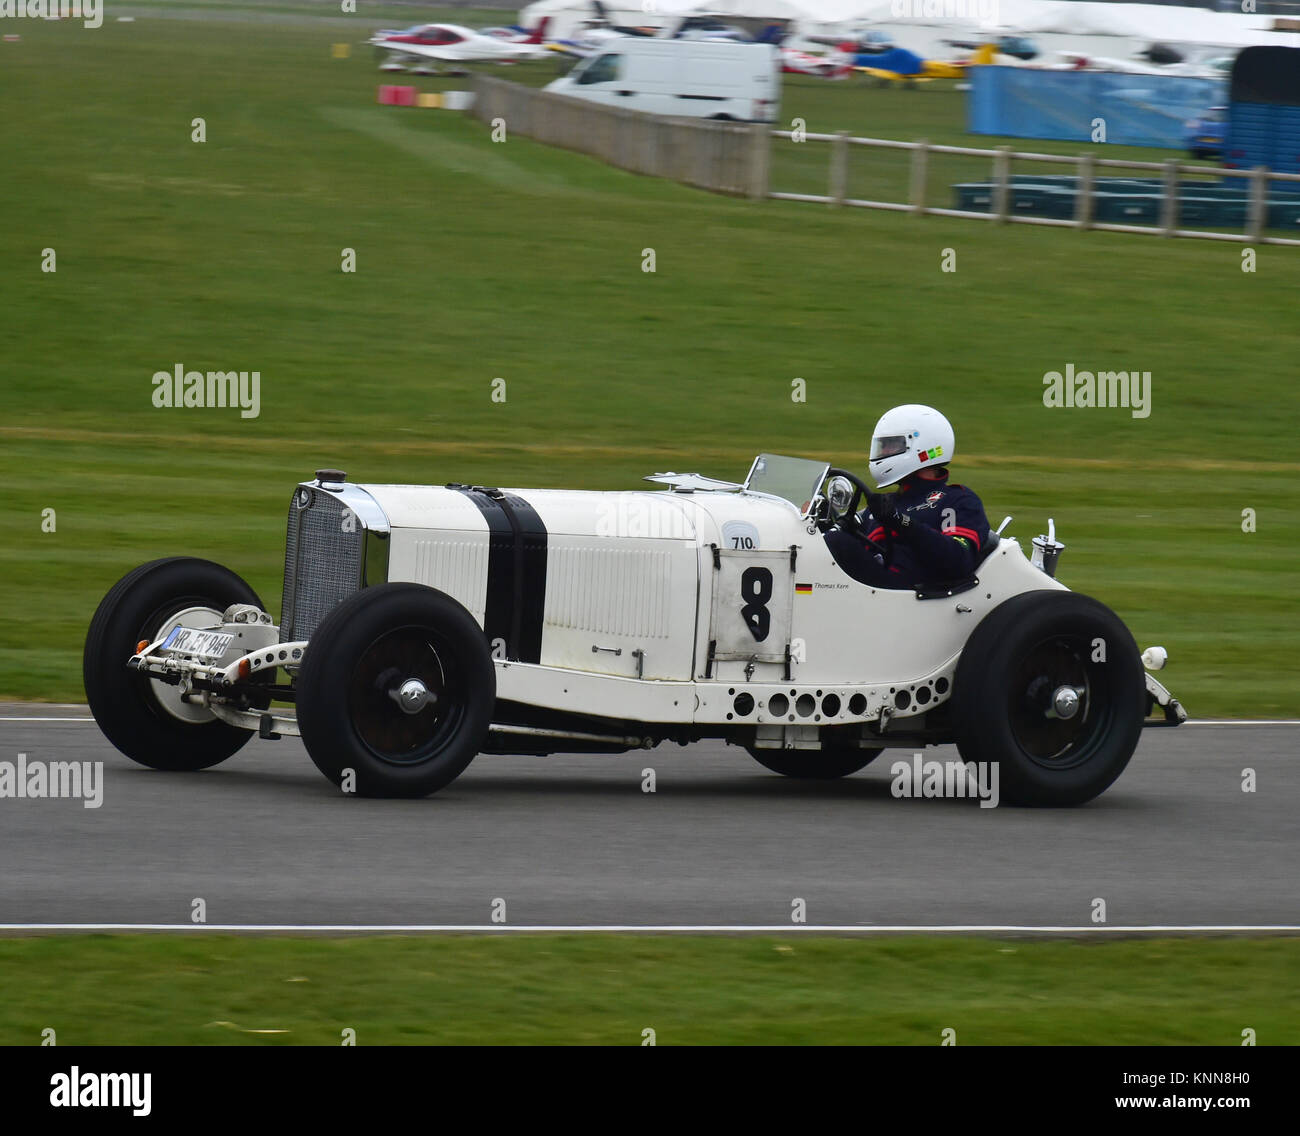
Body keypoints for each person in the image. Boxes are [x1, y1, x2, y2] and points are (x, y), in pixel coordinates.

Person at [825, 404, 991, 589]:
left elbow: (958, 560)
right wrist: (824, 523)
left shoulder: (956, 500)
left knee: (837, 544)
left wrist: (901, 522)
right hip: (869, 592)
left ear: (923, 446)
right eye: (882, 446)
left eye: (891, 446)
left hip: (911, 594)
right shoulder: (886, 504)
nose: (884, 452)